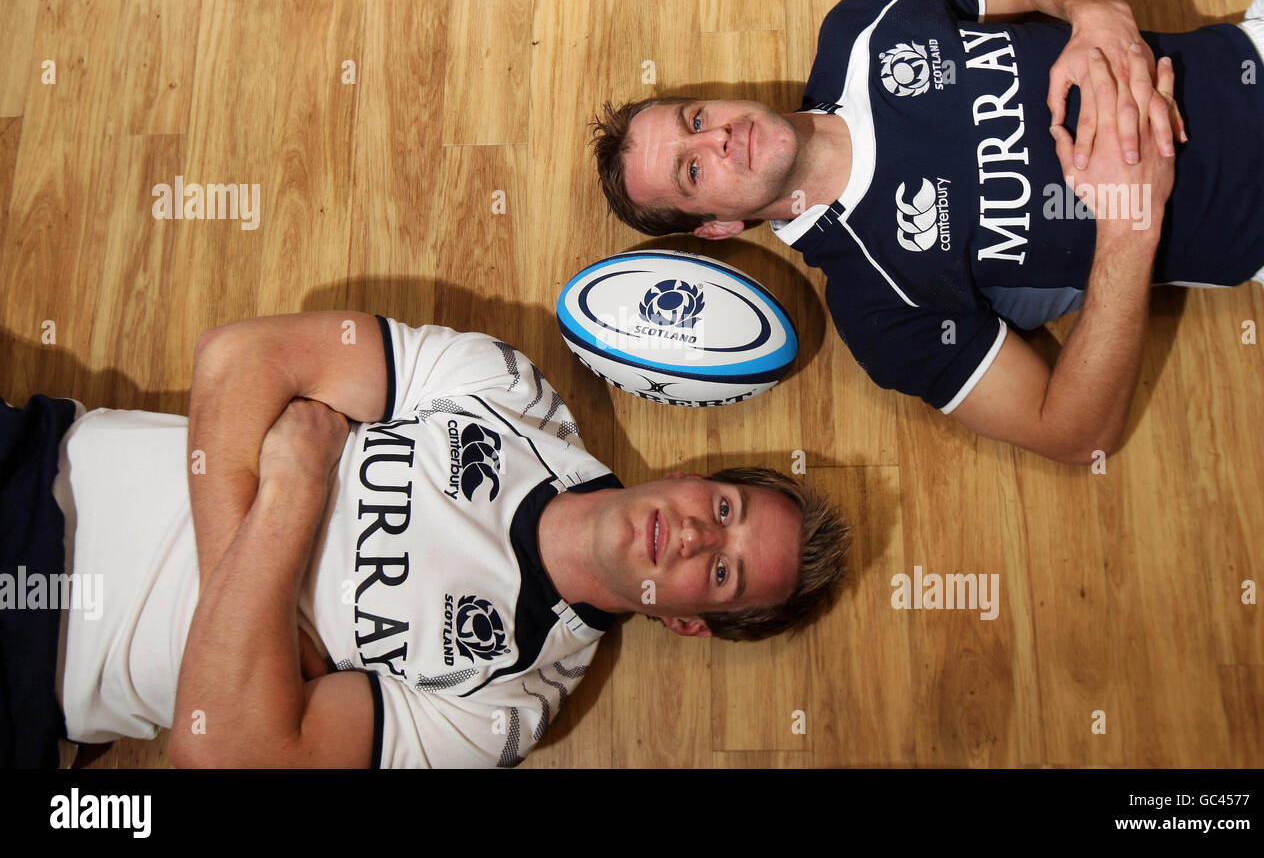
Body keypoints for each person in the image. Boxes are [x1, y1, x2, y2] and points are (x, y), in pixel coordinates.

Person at [1, 312, 848, 768]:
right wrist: (254, 622)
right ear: (702, 477)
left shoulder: (501, 709)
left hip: (27, 668)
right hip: (35, 471)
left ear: (690, 620)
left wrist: (292, 494)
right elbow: (236, 359)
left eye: (725, 573)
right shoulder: (509, 394)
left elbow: (216, 746)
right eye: (728, 508)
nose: (700, 535)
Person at [593, 0, 1264, 464]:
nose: (717, 137)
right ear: (717, 226)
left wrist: (1097, 11)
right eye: (692, 172)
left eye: (693, 118)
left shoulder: (862, 26)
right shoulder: (878, 312)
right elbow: (1074, 432)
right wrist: (1130, 225)